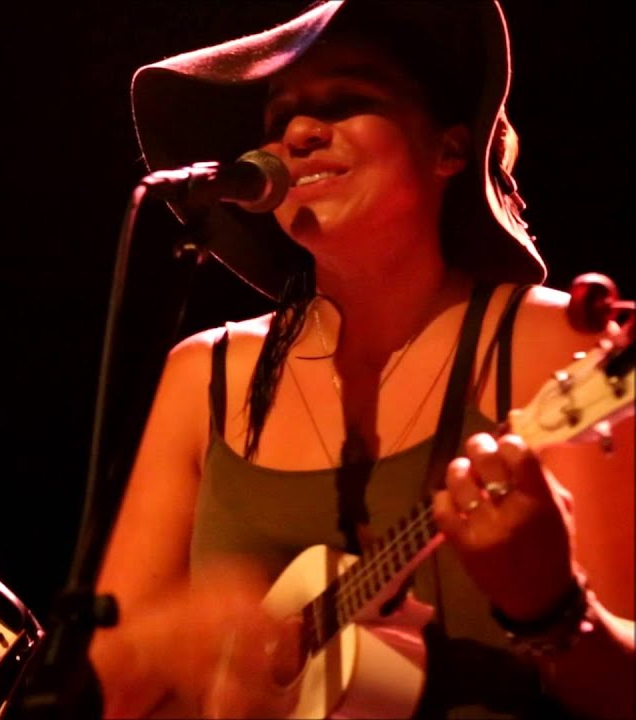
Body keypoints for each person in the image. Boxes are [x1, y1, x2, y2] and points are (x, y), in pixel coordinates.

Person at [88, 1, 634, 718]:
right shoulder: (207, 377)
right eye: (276, 122)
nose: (301, 133)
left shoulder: (559, 345)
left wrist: (553, 611)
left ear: (449, 149)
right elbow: (104, 688)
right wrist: (178, 640)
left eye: (350, 100)